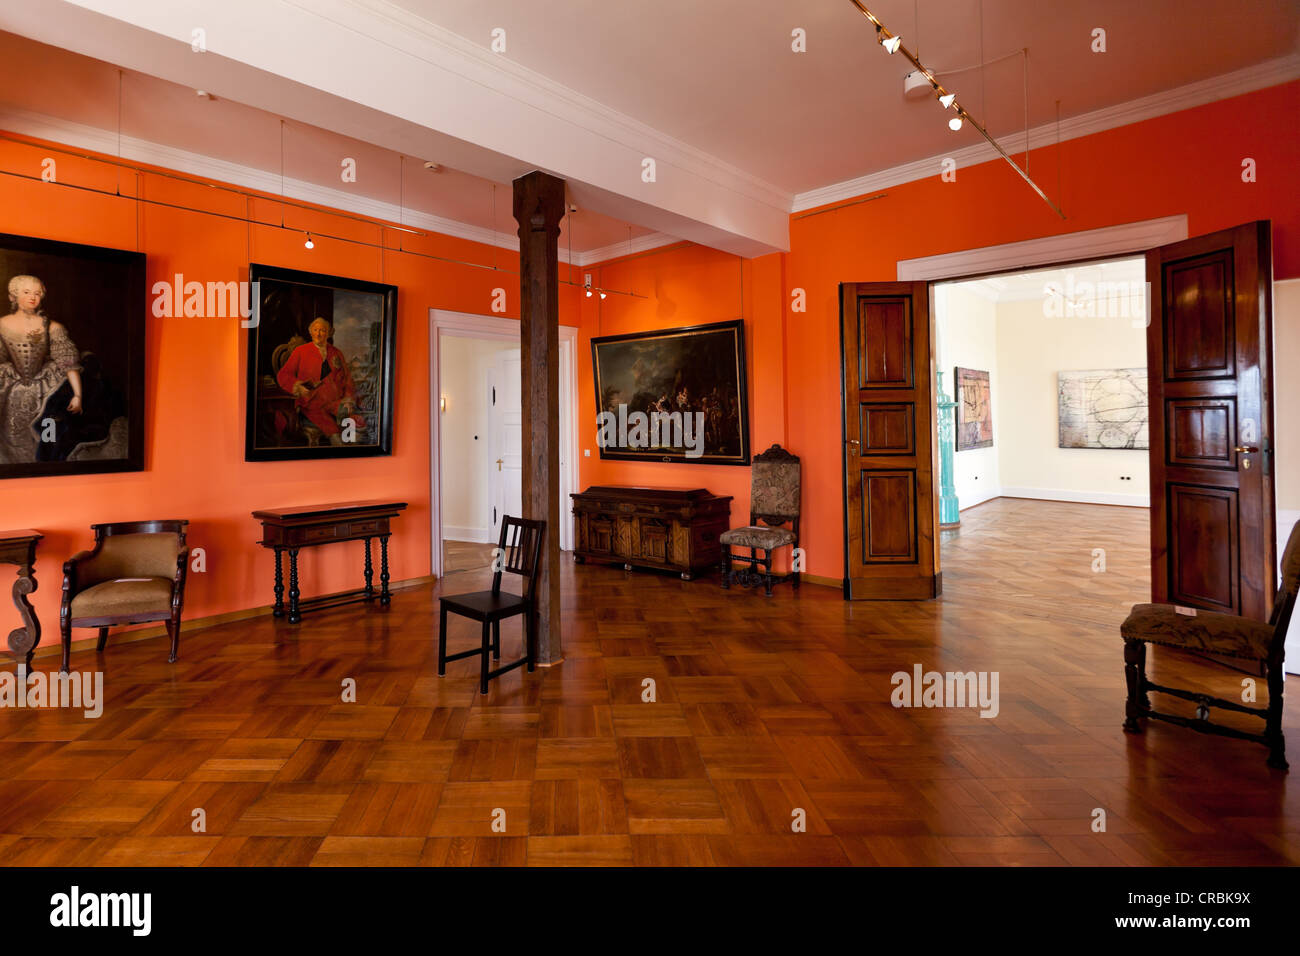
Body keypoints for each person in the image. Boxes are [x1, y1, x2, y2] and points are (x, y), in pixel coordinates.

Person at [0, 274, 83, 463]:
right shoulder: (2, 325)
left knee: (46, 440)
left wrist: (78, 395)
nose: (32, 297)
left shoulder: (53, 327)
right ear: (13, 295)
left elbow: (68, 363)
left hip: (46, 393)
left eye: (37, 293)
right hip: (10, 393)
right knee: (11, 444)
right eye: (26, 292)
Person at [275, 316, 362, 445]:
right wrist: (298, 387)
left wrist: (348, 399)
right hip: (311, 401)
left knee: (354, 419)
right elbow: (284, 375)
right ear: (311, 332)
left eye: (322, 330)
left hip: (335, 401)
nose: (319, 333)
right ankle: (335, 437)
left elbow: (347, 378)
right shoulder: (301, 351)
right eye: (315, 330)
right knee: (333, 430)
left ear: (328, 333)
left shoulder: (336, 353)